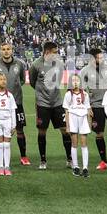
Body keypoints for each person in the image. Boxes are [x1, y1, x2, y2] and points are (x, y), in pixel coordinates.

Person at [0, 42, 30, 166]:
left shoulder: (20, 64)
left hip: (16, 101)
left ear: (12, 50)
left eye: (8, 49)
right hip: (0, 105)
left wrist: (14, 89)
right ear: (0, 51)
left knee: (20, 130)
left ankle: (23, 156)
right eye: (3, 49)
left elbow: (22, 80)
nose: (6, 51)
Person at [30, 41, 70, 171]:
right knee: (42, 131)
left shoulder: (59, 64)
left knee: (65, 129)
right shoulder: (36, 65)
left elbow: (58, 81)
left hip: (57, 102)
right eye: (55, 52)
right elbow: (32, 82)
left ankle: (69, 158)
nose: (57, 54)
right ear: (47, 52)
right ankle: (43, 160)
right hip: (42, 103)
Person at [63, 73, 92, 177]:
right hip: (72, 118)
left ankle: (85, 167)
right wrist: (67, 126)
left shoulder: (85, 94)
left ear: (80, 82)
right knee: (74, 143)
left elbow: (88, 109)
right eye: (73, 81)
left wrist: (89, 123)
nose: (75, 82)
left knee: (84, 143)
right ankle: (75, 166)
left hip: (83, 118)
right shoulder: (68, 95)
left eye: (77, 80)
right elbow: (66, 111)